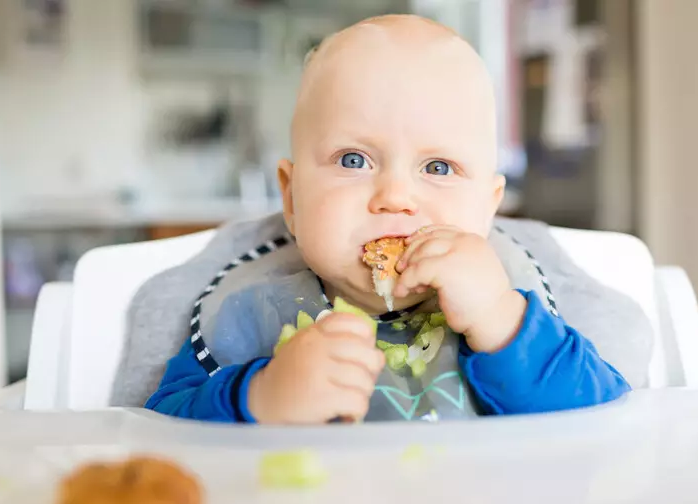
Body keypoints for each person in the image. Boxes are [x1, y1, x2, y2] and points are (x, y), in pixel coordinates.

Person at [145, 14, 630, 424]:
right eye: (354, 160)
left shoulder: (514, 309)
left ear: (488, 208)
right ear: (291, 200)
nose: (395, 197)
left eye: (438, 168)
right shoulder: (251, 312)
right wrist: (259, 397)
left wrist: (500, 319)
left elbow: (604, 423)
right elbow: (161, 429)